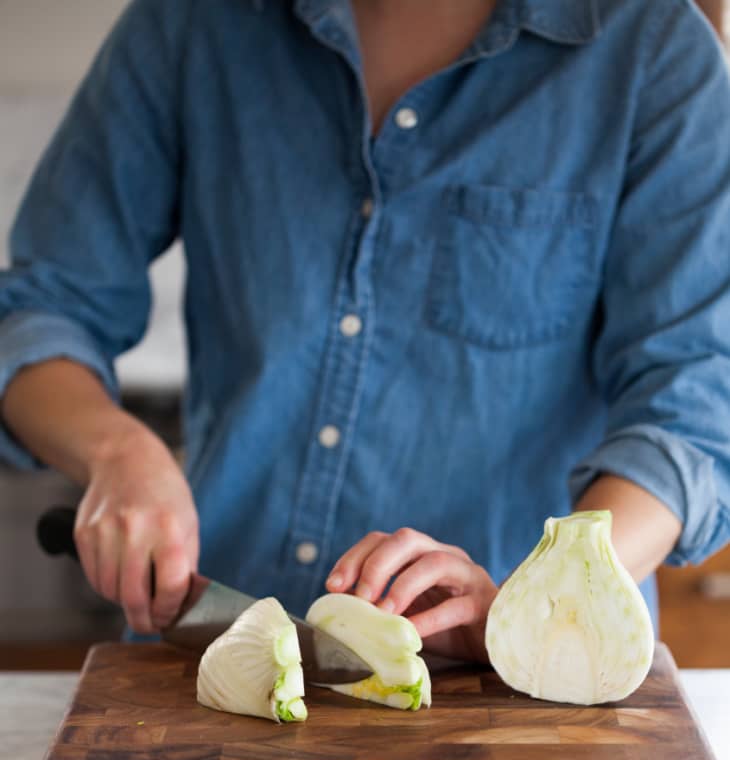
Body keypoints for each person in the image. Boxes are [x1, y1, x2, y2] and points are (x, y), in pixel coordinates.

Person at [1, 0, 729, 664]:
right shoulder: (191, 24)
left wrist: (531, 605)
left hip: (510, 690)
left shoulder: (654, 54)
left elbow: (694, 410)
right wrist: (117, 449)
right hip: (210, 670)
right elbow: (41, 306)